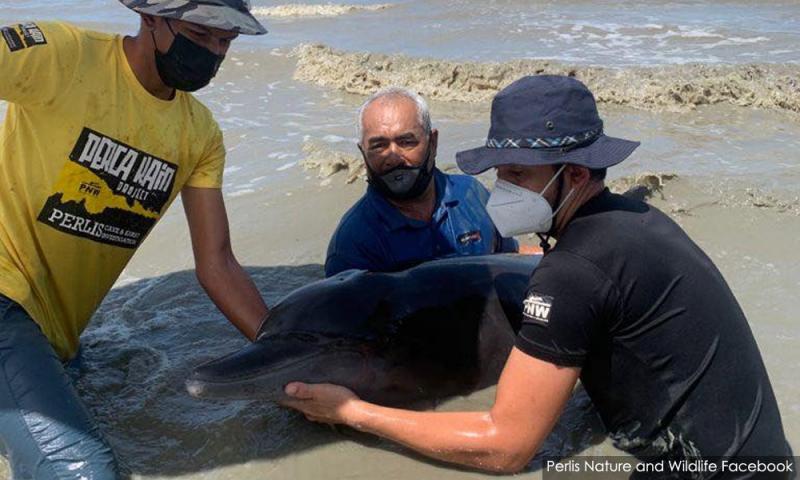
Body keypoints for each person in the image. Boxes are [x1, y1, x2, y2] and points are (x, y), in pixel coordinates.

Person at [282, 76, 792, 475]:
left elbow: (506, 448)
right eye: (500, 172)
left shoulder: (571, 272)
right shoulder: (636, 223)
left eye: (518, 175)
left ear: (573, 175)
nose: (499, 190)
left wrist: (351, 412)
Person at [0, 1, 269, 477]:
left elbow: (218, 263)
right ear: (150, 17)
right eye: (198, 33)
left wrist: (285, 351)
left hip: (54, 336)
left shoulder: (198, 133)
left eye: (224, 41)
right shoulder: (64, 56)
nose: (211, 52)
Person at [324, 87, 523, 278]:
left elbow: (510, 259)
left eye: (406, 142)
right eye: (379, 145)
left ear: (433, 142)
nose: (393, 157)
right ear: (363, 152)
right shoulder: (352, 243)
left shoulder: (472, 194)